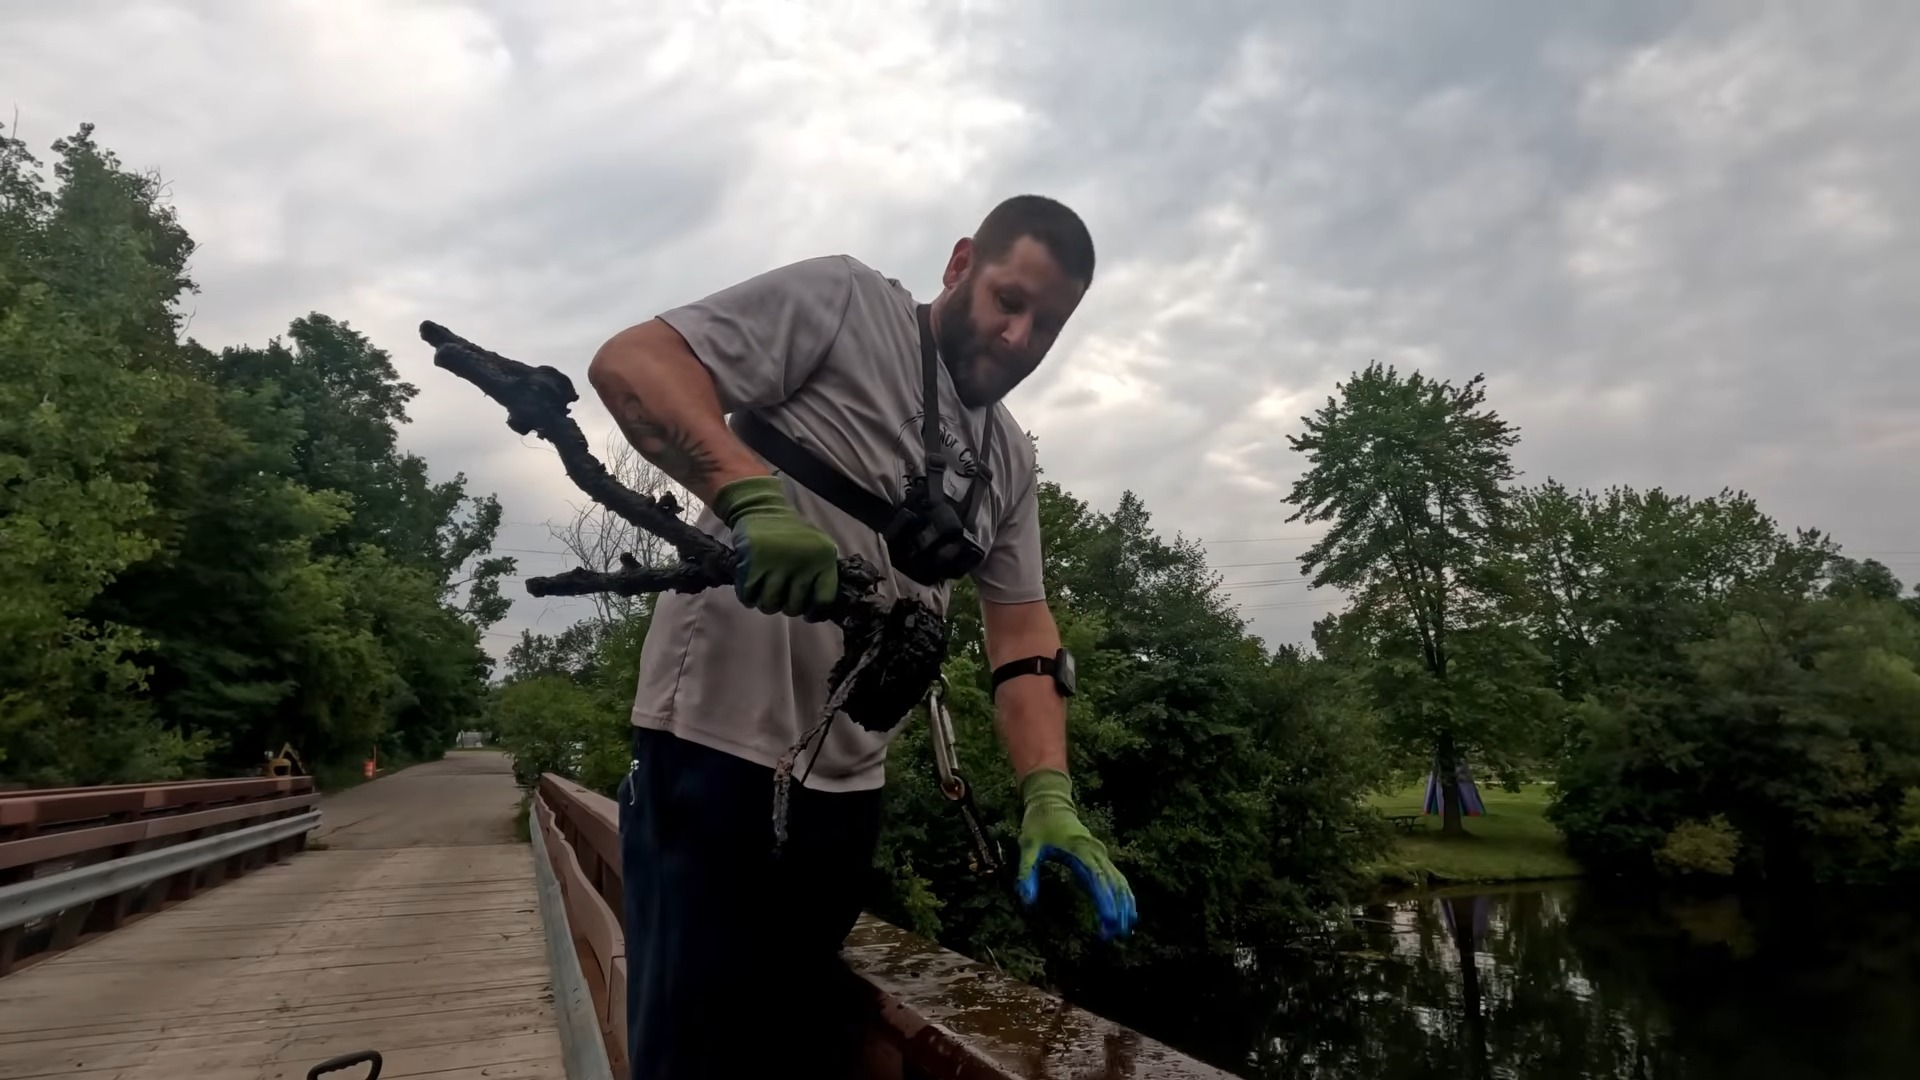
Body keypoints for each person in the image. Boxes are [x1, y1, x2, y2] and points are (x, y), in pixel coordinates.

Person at [586, 194, 1137, 1079]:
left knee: (799, 1044)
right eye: (1009, 300)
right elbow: (636, 361)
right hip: (712, 752)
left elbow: (1023, 625)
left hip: (847, 788)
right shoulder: (846, 304)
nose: (1018, 338)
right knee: (689, 1054)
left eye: (1048, 325)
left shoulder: (1009, 459)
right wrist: (749, 495)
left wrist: (1049, 794)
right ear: (960, 263)